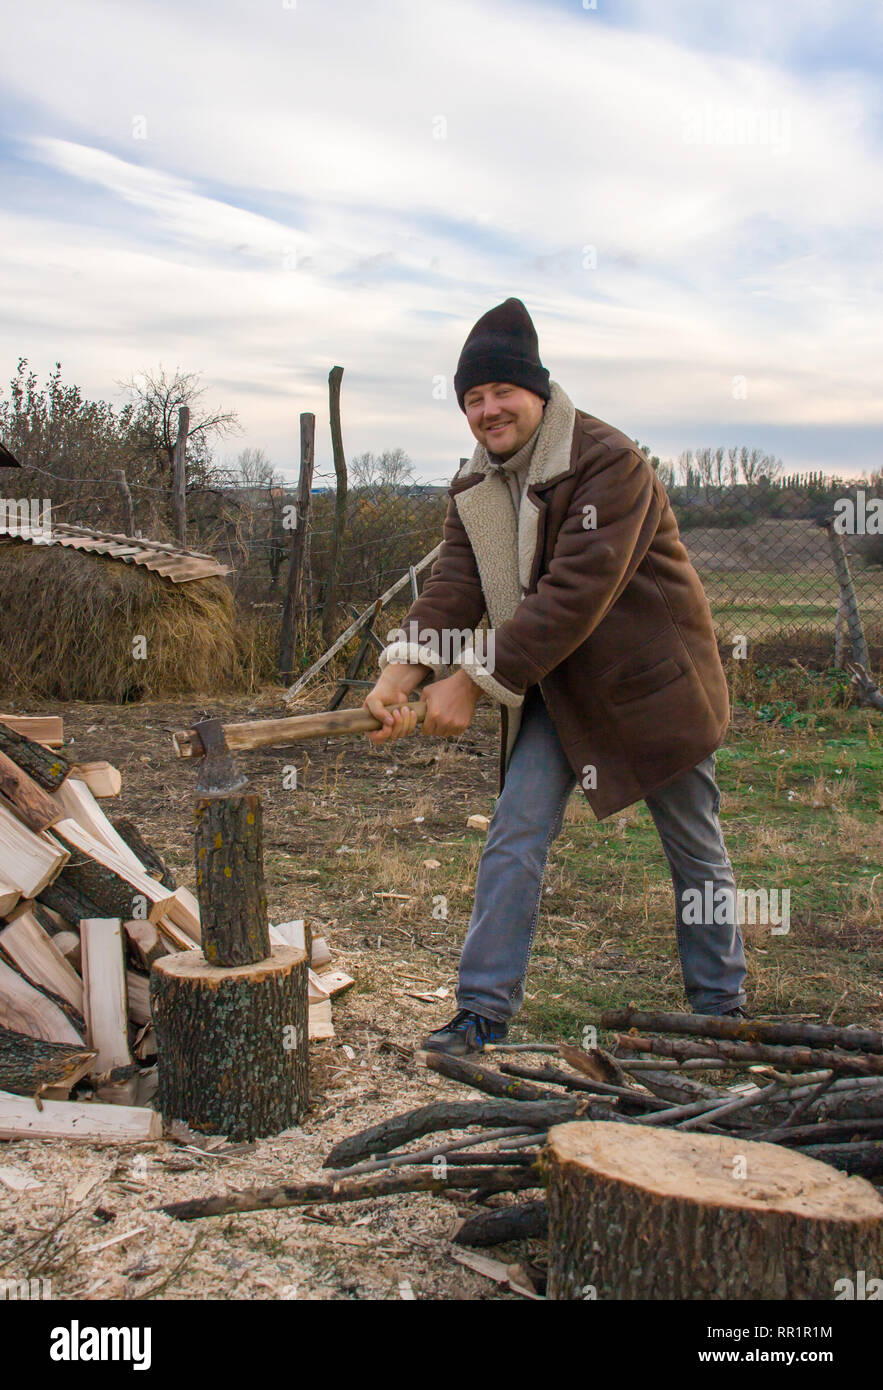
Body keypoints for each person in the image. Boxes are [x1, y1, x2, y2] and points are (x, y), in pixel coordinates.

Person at [364, 297, 746, 1056]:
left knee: (693, 848)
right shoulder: (475, 482)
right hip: (553, 688)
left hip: (649, 688)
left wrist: (469, 681)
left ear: (537, 393)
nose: (486, 410)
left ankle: (720, 1013)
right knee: (514, 834)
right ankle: (480, 1013)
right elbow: (453, 588)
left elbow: (573, 597)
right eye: (471, 398)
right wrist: (401, 671)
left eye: (500, 392)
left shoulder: (608, 462)